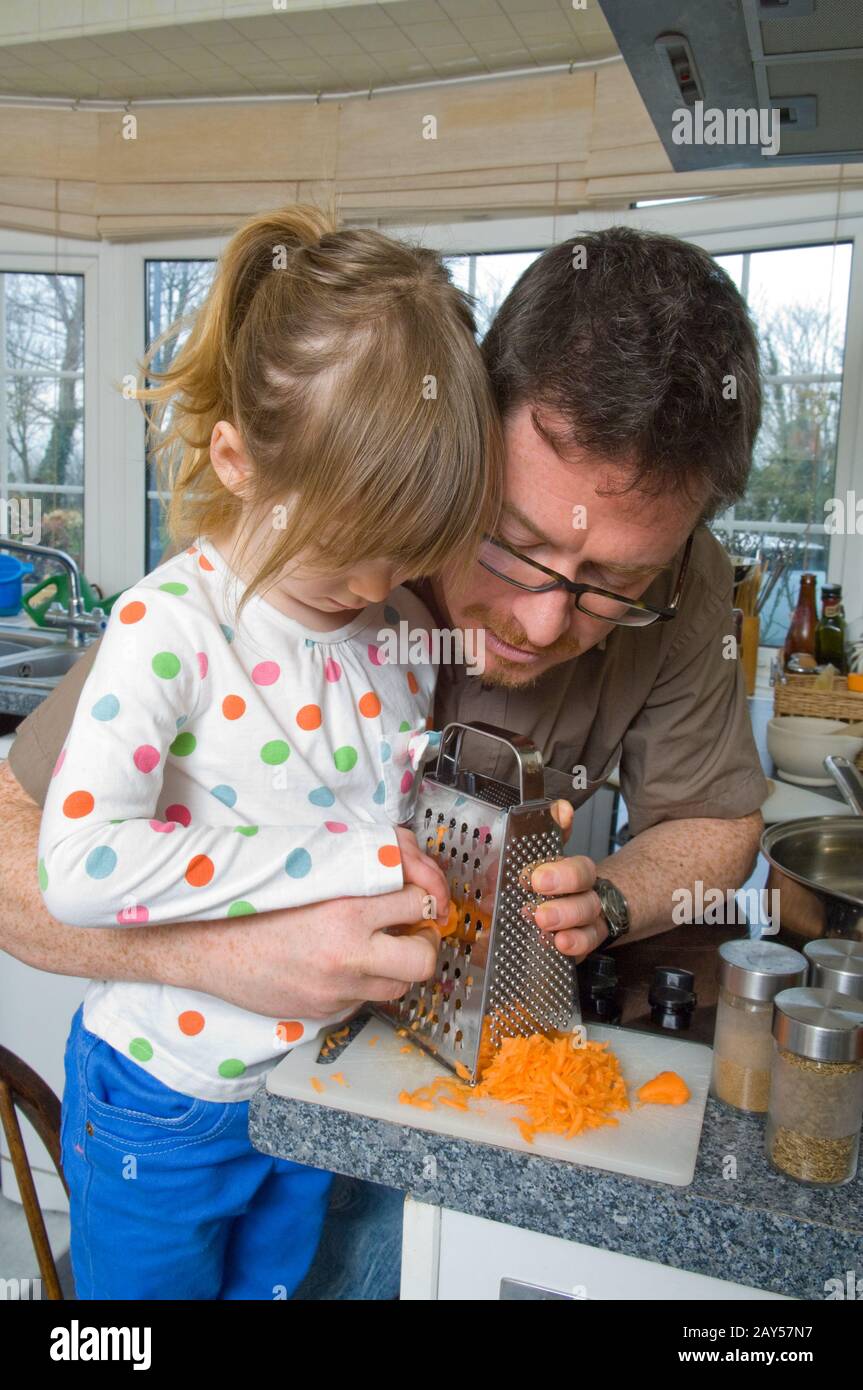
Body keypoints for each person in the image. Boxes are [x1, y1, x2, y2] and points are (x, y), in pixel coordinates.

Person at [0, 224, 768, 1299]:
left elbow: (717, 821)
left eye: (609, 584)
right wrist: (238, 955)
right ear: (450, 434)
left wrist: (613, 893)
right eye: (511, 539)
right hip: (200, 1096)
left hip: (414, 1088)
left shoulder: (681, 581)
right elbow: (18, 858)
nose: (547, 620)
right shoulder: (251, 585)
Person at [28, 202, 506, 1300]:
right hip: (162, 1094)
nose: (375, 590)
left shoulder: (393, 641)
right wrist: (342, 863)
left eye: (402, 560)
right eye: (348, 555)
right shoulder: (172, 629)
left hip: (308, 1081)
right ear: (236, 460)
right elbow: (80, 866)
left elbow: (378, 819)